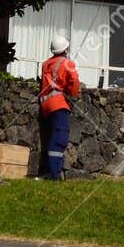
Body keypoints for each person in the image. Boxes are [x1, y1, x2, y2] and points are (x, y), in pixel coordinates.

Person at [38, 34, 80, 180]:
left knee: (51, 137)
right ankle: (54, 174)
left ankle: (52, 172)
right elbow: (73, 81)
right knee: (59, 138)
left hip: (46, 105)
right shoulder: (68, 63)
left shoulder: (45, 64)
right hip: (59, 104)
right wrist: (73, 94)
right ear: (66, 49)